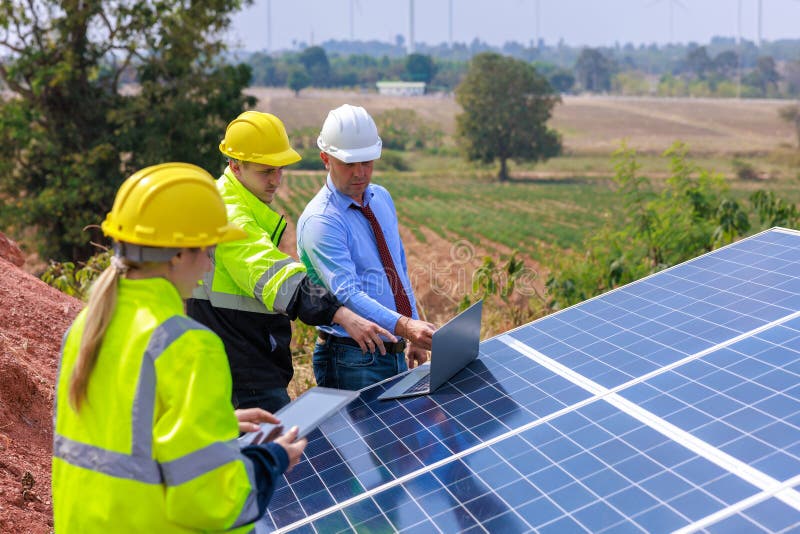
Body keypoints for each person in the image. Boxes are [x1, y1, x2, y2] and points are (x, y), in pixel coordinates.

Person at [52, 163, 307, 532]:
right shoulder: (187, 345)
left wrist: (214, 428)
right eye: (208, 248)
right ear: (177, 254)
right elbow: (211, 502)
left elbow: (119, 440)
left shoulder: (85, 327)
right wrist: (272, 459)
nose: (209, 264)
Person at [186, 111, 393, 413]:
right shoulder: (228, 215)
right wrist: (341, 314)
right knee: (282, 455)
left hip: (243, 362)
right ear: (235, 166)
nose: (275, 180)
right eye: (265, 171)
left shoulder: (233, 202)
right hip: (242, 373)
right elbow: (277, 278)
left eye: (279, 170)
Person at [296, 104, 436, 391]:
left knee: (394, 436)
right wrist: (407, 326)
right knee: (361, 437)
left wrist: (410, 329)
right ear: (326, 158)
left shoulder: (381, 198)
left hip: (392, 350)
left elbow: (397, 266)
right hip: (352, 356)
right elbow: (347, 293)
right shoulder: (322, 220)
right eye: (349, 164)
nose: (360, 173)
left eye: (367, 162)